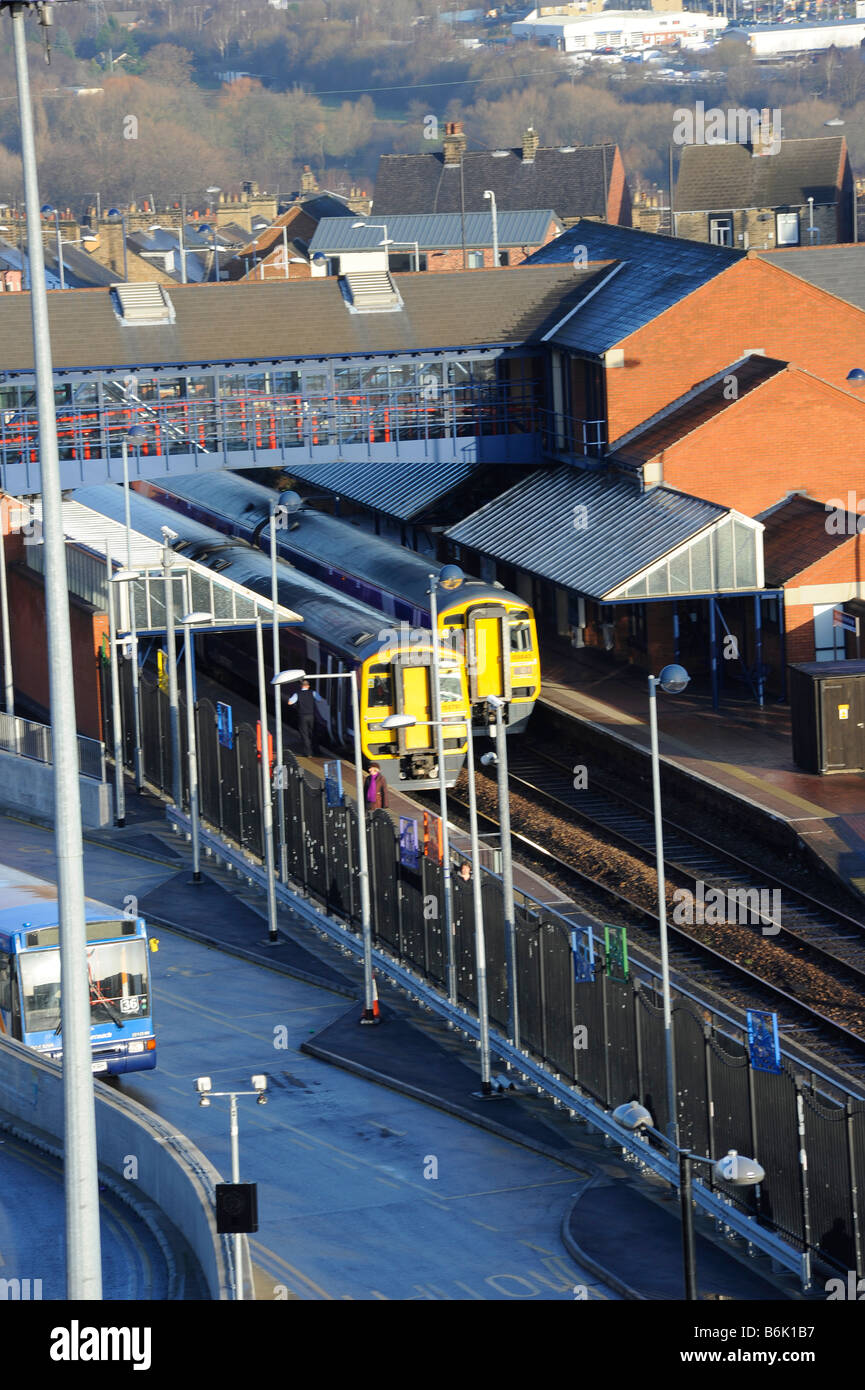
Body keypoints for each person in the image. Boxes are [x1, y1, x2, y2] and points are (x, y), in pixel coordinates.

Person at [287, 679, 324, 756]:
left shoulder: (297, 694)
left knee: (305, 735)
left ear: (301, 686)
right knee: (313, 733)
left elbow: (289, 702)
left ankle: (308, 753)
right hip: (311, 716)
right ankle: (316, 751)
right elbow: (320, 699)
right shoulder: (313, 693)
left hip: (302, 716)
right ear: (308, 686)